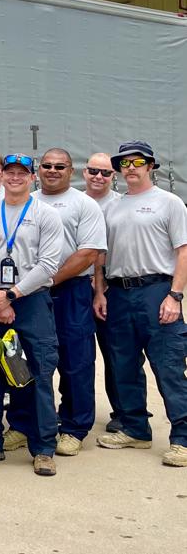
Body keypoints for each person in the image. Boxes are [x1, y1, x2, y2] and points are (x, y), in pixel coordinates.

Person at [95, 141, 187, 467]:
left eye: (137, 161)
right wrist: (100, 291)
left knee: (169, 367)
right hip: (119, 293)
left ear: (150, 166)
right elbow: (101, 254)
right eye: (124, 163)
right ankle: (135, 429)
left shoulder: (169, 203)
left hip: (156, 291)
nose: (130, 167)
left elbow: (183, 251)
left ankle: (182, 439)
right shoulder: (112, 208)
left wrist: (175, 295)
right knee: (123, 365)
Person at [0, 154, 63, 476]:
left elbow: (49, 264)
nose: (14, 177)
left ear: (32, 177)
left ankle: (44, 447)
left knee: (38, 372)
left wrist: (12, 295)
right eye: (9, 172)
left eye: (21, 173)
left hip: (31, 302)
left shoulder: (46, 215)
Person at [11, 148, 105, 457]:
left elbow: (88, 253)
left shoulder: (84, 204)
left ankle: (74, 427)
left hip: (69, 291)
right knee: (23, 361)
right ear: (38, 171)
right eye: (48, 166)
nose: (53, 170)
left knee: (74, 360)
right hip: (27, 294)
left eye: (60, 166)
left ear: (72, 171)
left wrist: (49, 280)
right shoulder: (27, 199)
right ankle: (23, 424)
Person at [83, 152, 125, 432]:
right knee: (78, 355)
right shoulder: (76, 203)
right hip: (75, 287)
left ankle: (123, 412)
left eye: (106, 173)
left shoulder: (121, 205)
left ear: (113, 176)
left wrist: (102, 286)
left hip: (110, 288)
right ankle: (74, 409)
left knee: (116, 354)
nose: (99, 177)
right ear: (84, 173)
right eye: (93, 171)